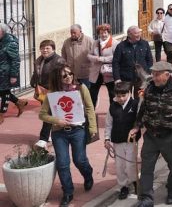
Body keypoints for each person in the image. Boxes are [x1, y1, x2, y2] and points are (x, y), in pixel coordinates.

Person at [130, 61, 172, 206]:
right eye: (153, 74)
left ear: (167, 75)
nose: (153, 77)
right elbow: (143, 110)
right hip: (151, 137)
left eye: (156, 75)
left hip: (170, 138)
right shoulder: (149, 89)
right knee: (146, 168)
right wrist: (136, 126)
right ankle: (146, 198)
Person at [39, 64, 96, 207]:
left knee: (79, 160)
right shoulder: (52, 93)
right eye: (64, 75)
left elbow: (90, 108)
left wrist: (92, 128)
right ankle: (68, 192)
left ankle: (88, 174)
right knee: (62, 163)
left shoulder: (81, 88)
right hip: (59, 132)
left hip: (78, 130)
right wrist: (56, 120)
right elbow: (42, 114)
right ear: (57, 78)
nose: (68, 77)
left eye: (70, 74)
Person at [104, 81, 138, 200]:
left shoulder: (135, 104)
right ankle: (123, 186)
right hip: (117, 140)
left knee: (130, 163)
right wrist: (107, 139)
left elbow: (139, 121)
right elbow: (108, 124)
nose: (121, 98)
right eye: (118, 96)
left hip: (131, 140)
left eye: (124, 95)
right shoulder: (113, 106)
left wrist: (136, 130)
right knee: (119, 165)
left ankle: (134, 181)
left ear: (129, 93)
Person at [31, 40, 64, 146]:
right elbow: (36, 73)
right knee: (49, 113)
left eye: (47, 48)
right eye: (42, 48)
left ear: (53, 49)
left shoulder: (59, 60)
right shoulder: (39, 60)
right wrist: (33, 82)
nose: (44, 50)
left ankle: (43, 138)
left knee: (48, 113)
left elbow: (63, 76)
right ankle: (51, 134)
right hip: (42, 91)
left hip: (54, 90)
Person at [112, 26, 153, 98]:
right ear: (129, 35)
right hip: (125, 78)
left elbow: (149, 60)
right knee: (126, 98)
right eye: (136, 33)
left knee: (140, 98)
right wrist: (117, 78)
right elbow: (115, 63)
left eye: (139, 33)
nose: (139, 35)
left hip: (141, 78)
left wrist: (148, 73)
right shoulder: (121, 46)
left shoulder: (145, 44)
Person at [0, 23, 27, 124]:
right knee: (2, 92)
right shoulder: (1, 40)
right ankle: (19, 102)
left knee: (5, 92)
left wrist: (14, 75)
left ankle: (1, 114)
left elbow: (15, 60)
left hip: (7, 73)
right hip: (1, 72)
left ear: (2, 31)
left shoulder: (10, 43)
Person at [87, 23, 117, 109]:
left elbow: (116, 57)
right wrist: (96, 58)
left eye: (105, 32)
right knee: (93, 93)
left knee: (112, 94)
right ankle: (91, 112)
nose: (103, 35)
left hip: (109, 72)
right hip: (96, 72)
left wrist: (102, 59)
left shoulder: (115, 43)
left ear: (108, 32)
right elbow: (89, 55)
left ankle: (113, 112)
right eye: (101, 33)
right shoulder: (96, 43)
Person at [61, 24, 94, 88]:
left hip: (85, 74)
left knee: (86, 92)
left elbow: (95, 56)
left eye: (74, 33)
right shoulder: (66, 42)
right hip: (71, 73)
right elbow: (63, 55)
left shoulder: (89, 41)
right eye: (71, 33)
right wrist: (65, 66)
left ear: (80, 31)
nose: (72, 34)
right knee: (73, 92)